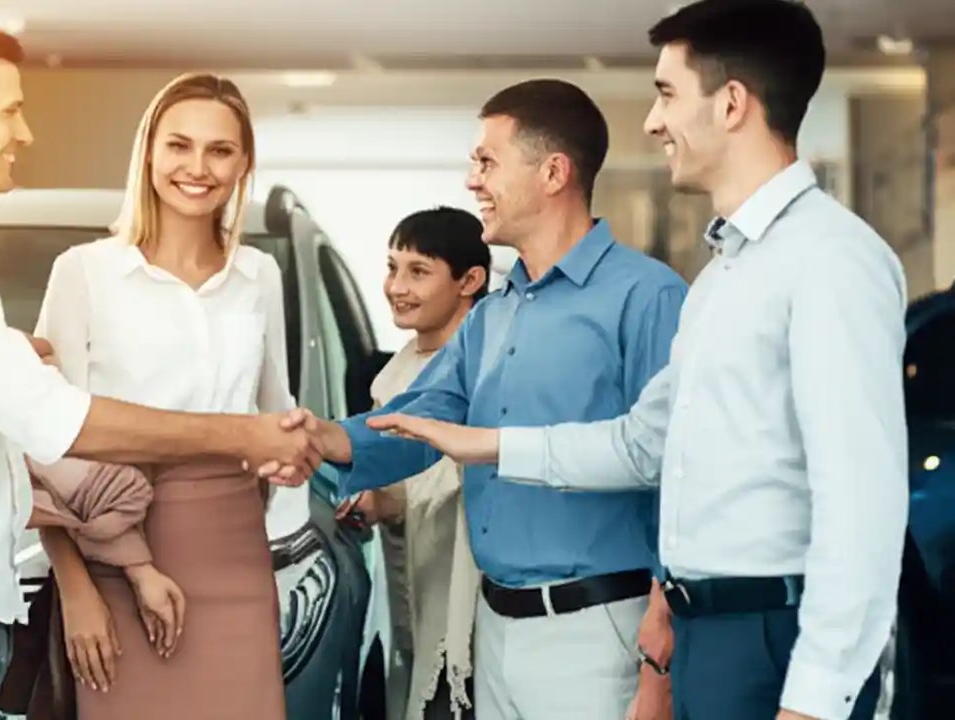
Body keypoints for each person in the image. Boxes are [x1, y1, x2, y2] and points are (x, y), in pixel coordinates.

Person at [366, 2, 908, 720]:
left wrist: (816, 698)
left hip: (775, 637)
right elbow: (642, 443)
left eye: (666, 94)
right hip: (707, 635)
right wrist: (484, 443)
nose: (653, 123)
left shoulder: (831, 260)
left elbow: (862, 505)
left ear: (733, 103)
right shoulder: (722, 276)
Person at [0, 18, 316, 720]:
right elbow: (57, 425)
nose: (24, 133)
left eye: (220, 150)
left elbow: (1, 405)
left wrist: (0, 358)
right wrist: (242, 436)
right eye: (10, 111)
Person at [266, 79, 689, 719]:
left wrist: (661, 651)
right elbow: (426, 415)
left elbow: (676, 471)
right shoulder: (494, 314)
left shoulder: (646, 296)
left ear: (553, 172)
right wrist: (322, 437)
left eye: (487, 161)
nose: (472, 181)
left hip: (598, 631)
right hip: (493, 633)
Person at [31, 72, 290, 720]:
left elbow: (275, 415)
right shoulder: (84, 272)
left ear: (243, 164)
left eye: (220, 150)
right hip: (112, 556)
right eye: (179, 145)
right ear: (148, 152)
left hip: (236, 553)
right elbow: (42, 447)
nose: (196, 167)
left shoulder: (260, 276)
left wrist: (306, 454)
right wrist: (76, 588)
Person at [336, 206, 490, 720]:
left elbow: (454, 483)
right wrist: (376, 500)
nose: (397, 285)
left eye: (418, 271)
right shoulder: (396, 373)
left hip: (472, 611)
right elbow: (411, 485)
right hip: (411, 603)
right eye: (392, 267)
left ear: (471, 280)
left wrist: (389, 496)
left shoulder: (483, 369)